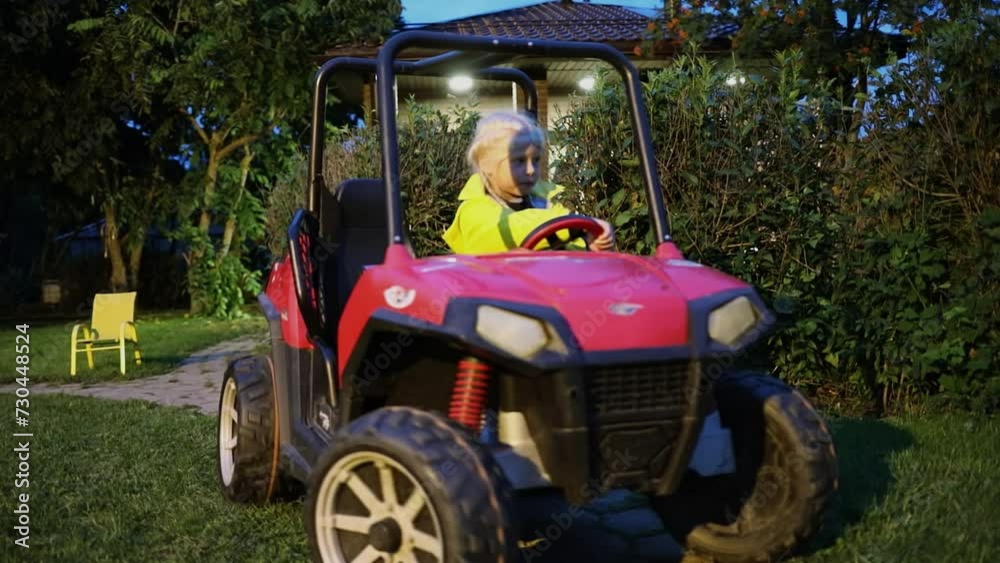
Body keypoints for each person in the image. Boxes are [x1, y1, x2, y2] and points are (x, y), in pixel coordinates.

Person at [442, 110, 615, 254]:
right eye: (519, 161)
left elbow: (562, 243)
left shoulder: (544, 202)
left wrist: (587, 243)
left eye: (536, 160)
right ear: (487, 165)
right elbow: (510, 230)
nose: (531, 170)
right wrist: (573, 224)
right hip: (492, 290)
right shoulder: (473, 210)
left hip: (543, 288)